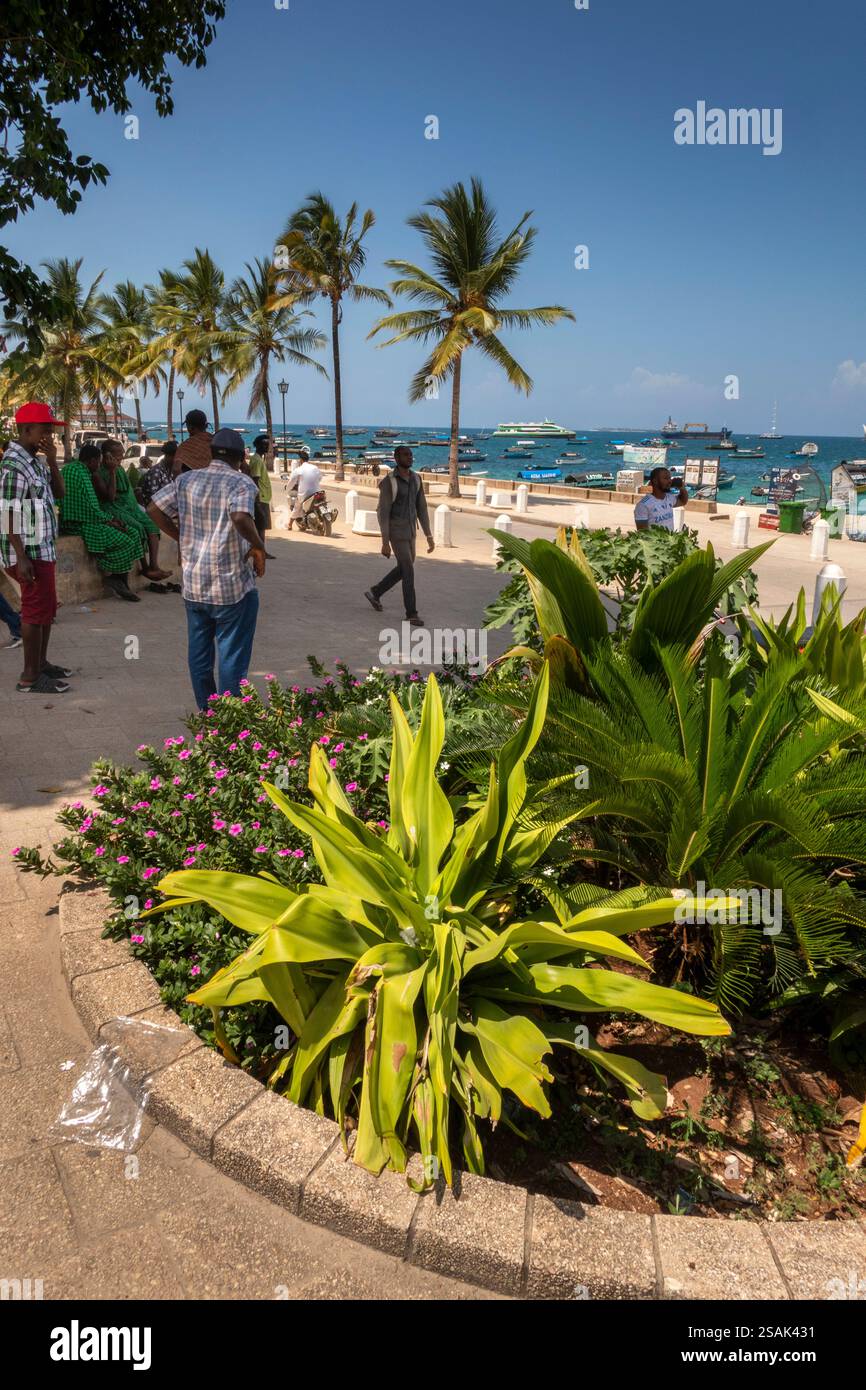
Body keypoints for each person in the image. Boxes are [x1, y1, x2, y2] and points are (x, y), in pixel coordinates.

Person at [147, 427, 265, 708]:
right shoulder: (242, 483)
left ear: (211, 454)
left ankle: (207, 712)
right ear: (241, 457)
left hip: (194, 586)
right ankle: (229, 719)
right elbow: (240, 516)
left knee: (199, 657)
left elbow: (153, 508)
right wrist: (258, 545)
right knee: (231, 658)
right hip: (230, 587)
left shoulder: (186, 480)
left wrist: (179, 536)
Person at [0, 401, 72, 692]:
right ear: (27, 429)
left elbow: (60, 493)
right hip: (28, 552)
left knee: (46, 610)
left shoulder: (36, 462)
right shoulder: (14, 466)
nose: (49, 435)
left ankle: (41, 664)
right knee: (34, 611)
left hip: (42, 547)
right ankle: (29, 678)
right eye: (45, 429)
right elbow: (8, 512)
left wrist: (53, 460)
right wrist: (21, 557)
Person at [60, 446, 144, 602]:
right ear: (92, 461)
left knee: (133, 532)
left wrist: (109, 519)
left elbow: (92, 506)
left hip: (91, 518)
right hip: (79, 523)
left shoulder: (84, 472)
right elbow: (87, 508)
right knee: (126, 541)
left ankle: (121, 582)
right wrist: (108, 520)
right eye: (98, 462)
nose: (99, 466)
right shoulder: (76, 472)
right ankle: (115, 579)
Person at [364, 446, 434, 626]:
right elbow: (383, 513)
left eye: (410, 454)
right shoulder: (389, 482)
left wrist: (428, 535)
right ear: (396, 458)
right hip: (396, 532)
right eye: (405, 455)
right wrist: (385, 542)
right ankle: (412, 613)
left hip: (411, 532)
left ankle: (375, 592)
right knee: (408, 570)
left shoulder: (416, 479)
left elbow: (422, 508)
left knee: (403, 569)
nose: (409, 457)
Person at [96, 439, 170, 580]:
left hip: (131, 507)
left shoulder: (120, 469)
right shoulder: (101, 472)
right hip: (115, 508)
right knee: (138, 528)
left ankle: (154, 566)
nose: (122, 457)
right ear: (107, 455)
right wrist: (112, 472)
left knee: (152, 526)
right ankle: (145, 568)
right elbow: (110, 497)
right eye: (118, 454)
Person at [634, 467, 689, 531]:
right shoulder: (643, 505)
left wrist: (681, 487)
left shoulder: (670, 498)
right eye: (666, 478)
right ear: (655, 481)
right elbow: (642, 532)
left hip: (670, 537)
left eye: (670, 478)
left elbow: (683, 501)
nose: (670, 481)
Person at [248, 435, 275, 556]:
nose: (266, 447)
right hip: (261, 498)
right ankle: (261, 552)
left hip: (264, 497)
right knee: (261, 527)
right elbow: (255, 480)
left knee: (261, 527)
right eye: (263, 444)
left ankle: (260, 550)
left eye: (267, 444)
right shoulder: (257, 460)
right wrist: (257, 500)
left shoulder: (259, 459)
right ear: (257, 445)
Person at [286, 447, 322, 530]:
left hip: (305, 494)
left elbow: (291, 482)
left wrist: (287, 489)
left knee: (297, 506)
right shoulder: (315, 467)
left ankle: (290, 524)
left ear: (300, 460)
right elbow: (320, 478)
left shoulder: (299, 469)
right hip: (317, 491)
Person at [137, 440, 180, 507]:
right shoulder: (155, 472)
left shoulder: (171, 470)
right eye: (175, 457)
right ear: (168, 456)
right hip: (154, 508)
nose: (177, 460)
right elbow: (154, 499)